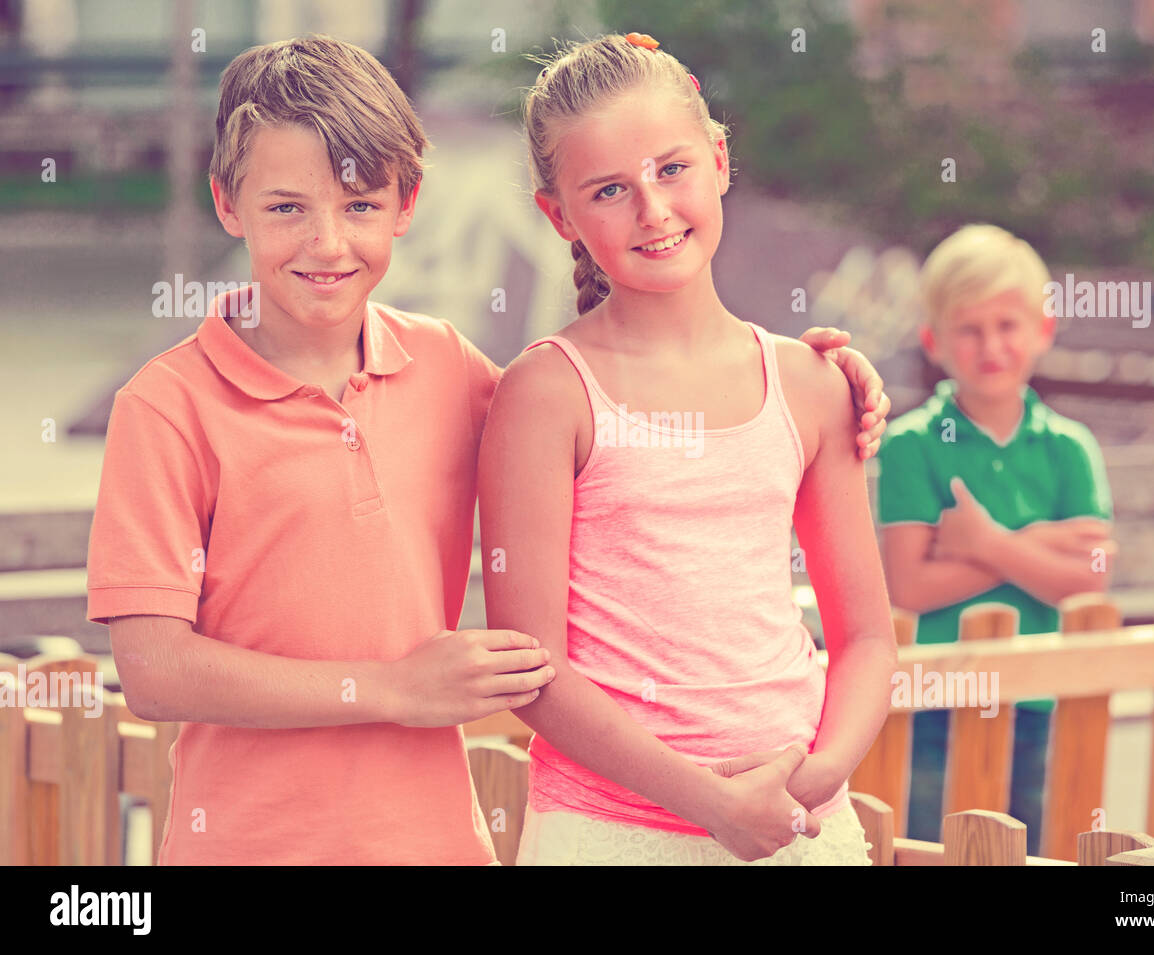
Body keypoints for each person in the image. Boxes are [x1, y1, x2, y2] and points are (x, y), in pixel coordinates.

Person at [86, 34, 892, 864]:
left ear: (406, 206)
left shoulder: (451, 372)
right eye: (287, 207)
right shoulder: (165, 407)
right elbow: (152, 668)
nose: (326, 243)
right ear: (227, 202)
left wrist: (832, 381)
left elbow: (625, 426)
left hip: (437, 844)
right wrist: (391, 688)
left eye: (359, 206)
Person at [478, 32, 898, 865]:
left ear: (718, 158)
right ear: (558, 215)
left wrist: (814, 781)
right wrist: (714, 804)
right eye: (609, 190)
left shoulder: (810, 382)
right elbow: (532, 670)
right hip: (605, 838)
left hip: (802, 831)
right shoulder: (545, 394)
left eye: (672, 169)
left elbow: (867, 639)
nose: (654, 210)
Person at [876, 223, 1116, 855]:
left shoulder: (1070, 449)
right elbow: (909, 586)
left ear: (1044, 330)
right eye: (969, 329)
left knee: (1033, 852)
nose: (991, 346)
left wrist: (984, 540)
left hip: (1038, 701)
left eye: (1007, 325)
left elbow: (1089, 577)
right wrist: (1037, 547)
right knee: (932, 850)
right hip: (933, 700)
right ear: (933, 341)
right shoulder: (911, 445)